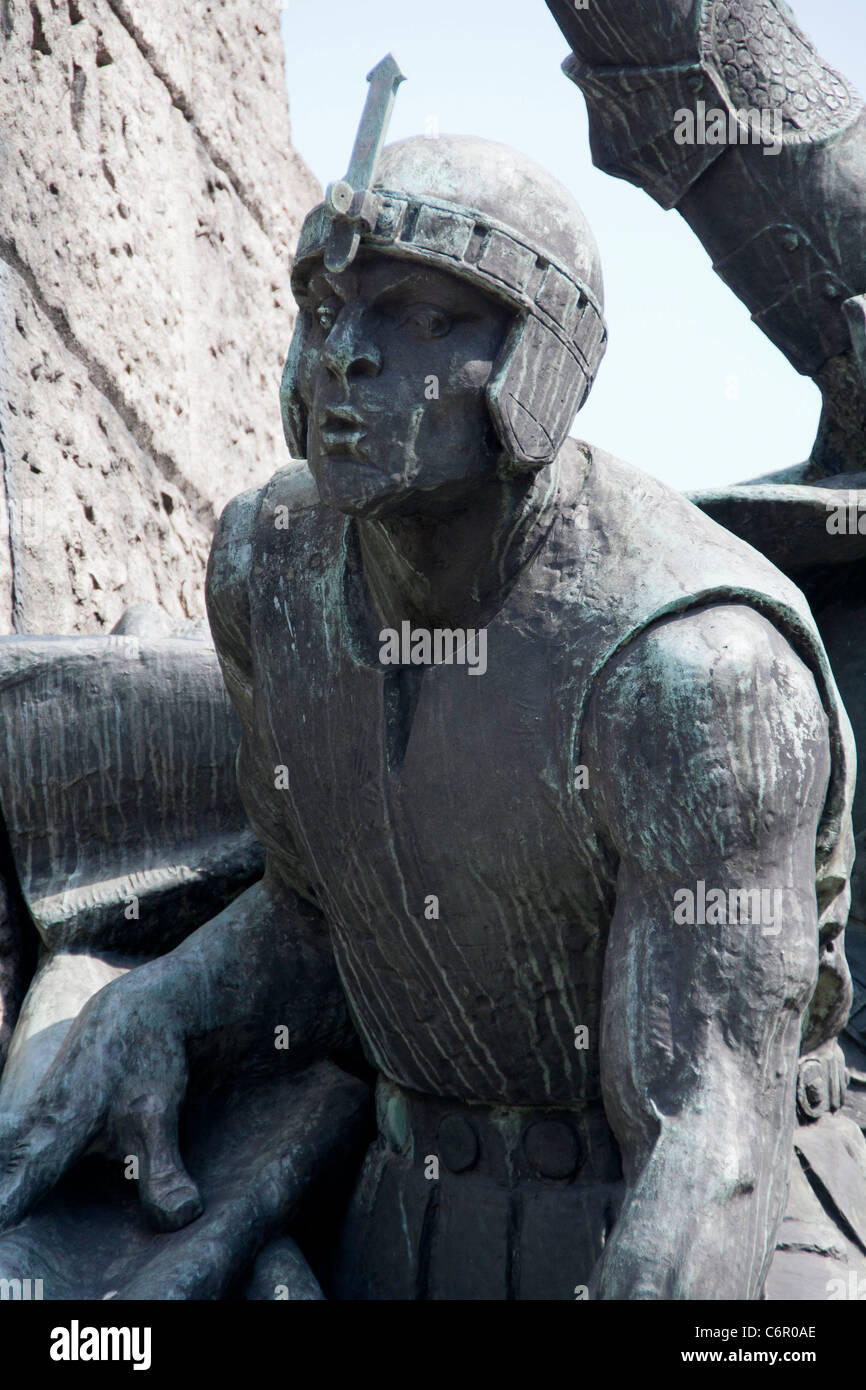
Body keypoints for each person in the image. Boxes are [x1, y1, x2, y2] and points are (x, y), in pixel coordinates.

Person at [0, 96, 857, 1299]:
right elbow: (318, 917)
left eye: (419, 317)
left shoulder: (696, 677)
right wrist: (167, 1004)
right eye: (326, 310)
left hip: (718, 1243)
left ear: (536, 367)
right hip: (411, 1220)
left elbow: (705, 1142)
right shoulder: (267, 567)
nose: (346, 354)